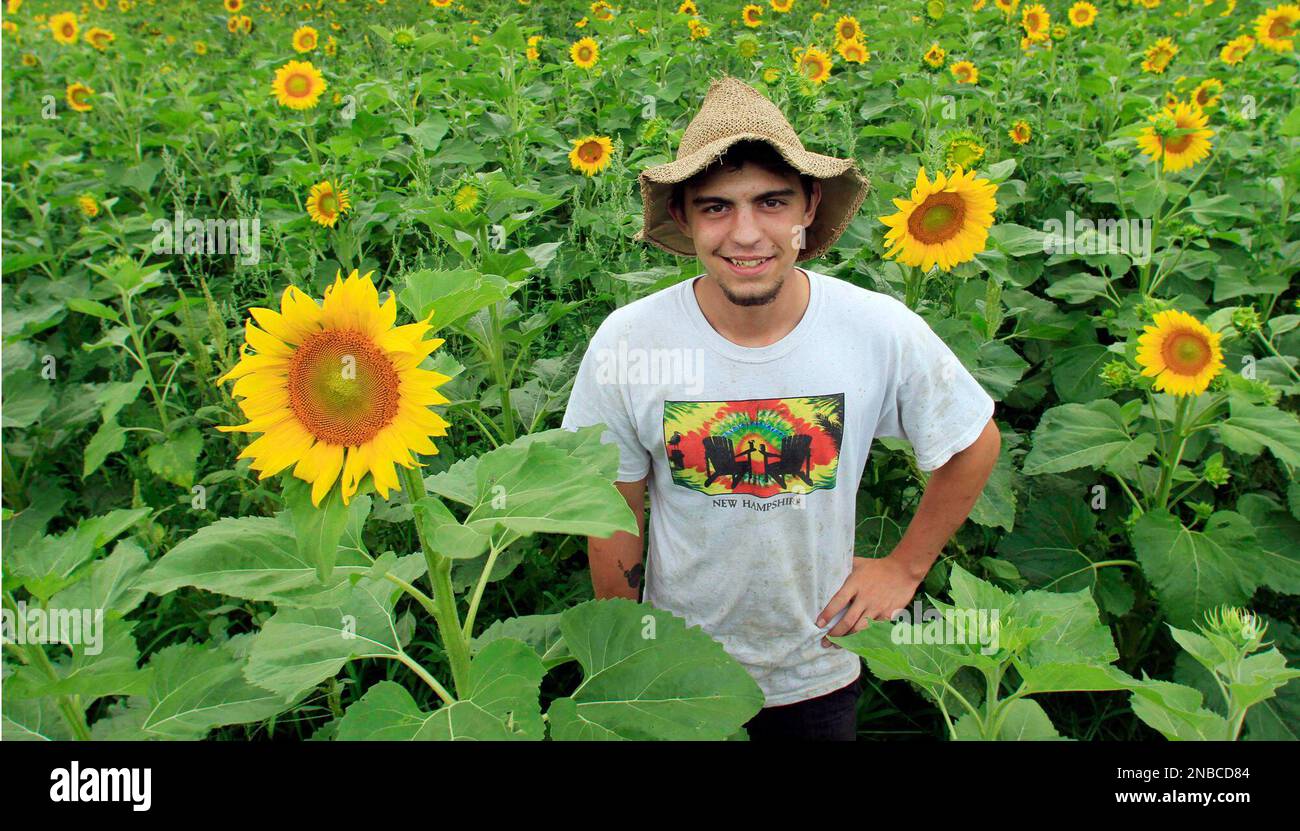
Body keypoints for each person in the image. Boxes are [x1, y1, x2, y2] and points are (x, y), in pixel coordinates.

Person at [560, 76, 1000, 741]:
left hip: (816, 668)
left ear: (809, 205)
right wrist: (628, 653)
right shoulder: (632, 341)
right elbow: (611, 507)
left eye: (771, 201)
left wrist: (905, 567)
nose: (746, 233)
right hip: (675, 673)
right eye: (716, 207)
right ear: (682, 215)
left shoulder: (874, 328)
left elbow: (973, 440)